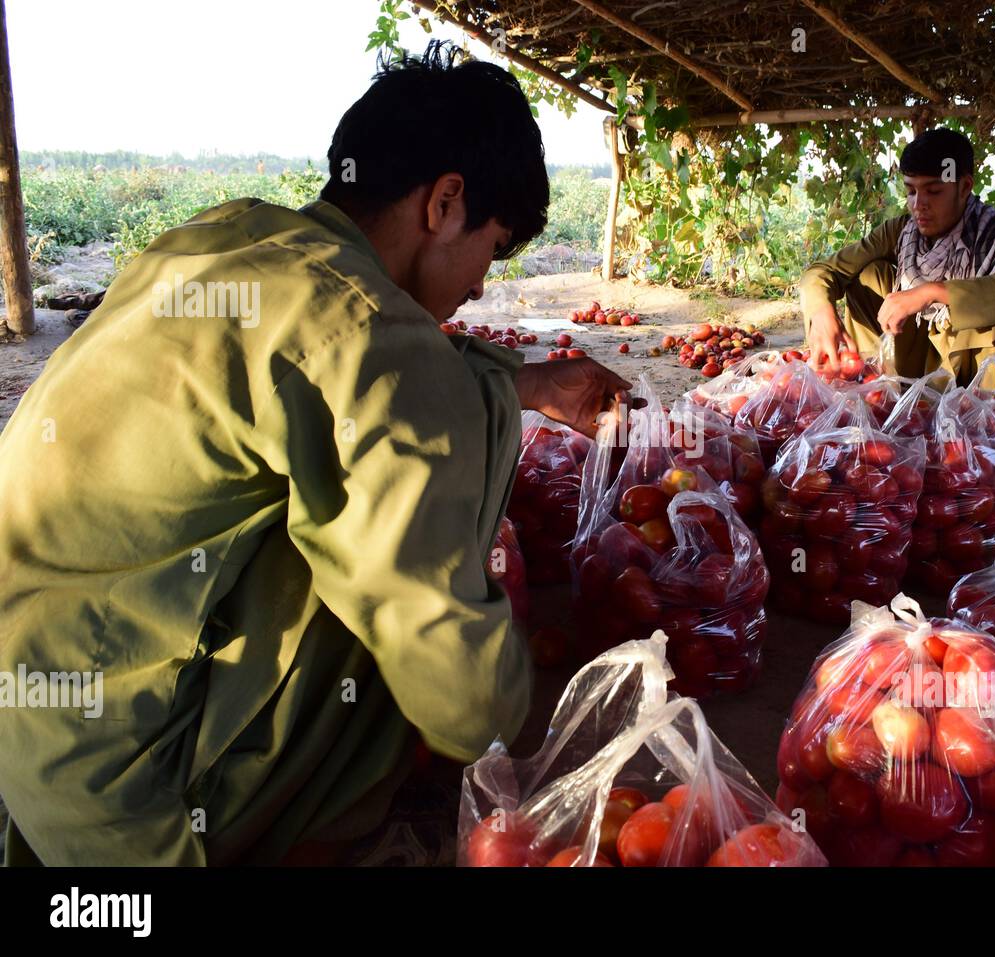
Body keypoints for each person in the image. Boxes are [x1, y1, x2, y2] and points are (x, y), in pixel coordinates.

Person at [0, 42, 633, 866]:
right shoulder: (377, 333)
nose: (481, 286)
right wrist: (535, 706)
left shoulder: (226, 238)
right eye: (495, 246)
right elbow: (464, 708)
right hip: (129, 804)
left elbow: (314, 366)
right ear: (445, 201)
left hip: (33, 727)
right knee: (389, 593)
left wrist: (524, 383)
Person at [800, 127, 995, 394]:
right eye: (911, 191)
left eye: (933, 191)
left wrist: (931, 292)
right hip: (916, 362)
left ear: (964, 187)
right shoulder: (901, 232)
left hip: (974, 374)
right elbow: (821, 272)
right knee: (868, 275)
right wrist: (820, 311)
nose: (919, 204)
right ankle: (876, 393)